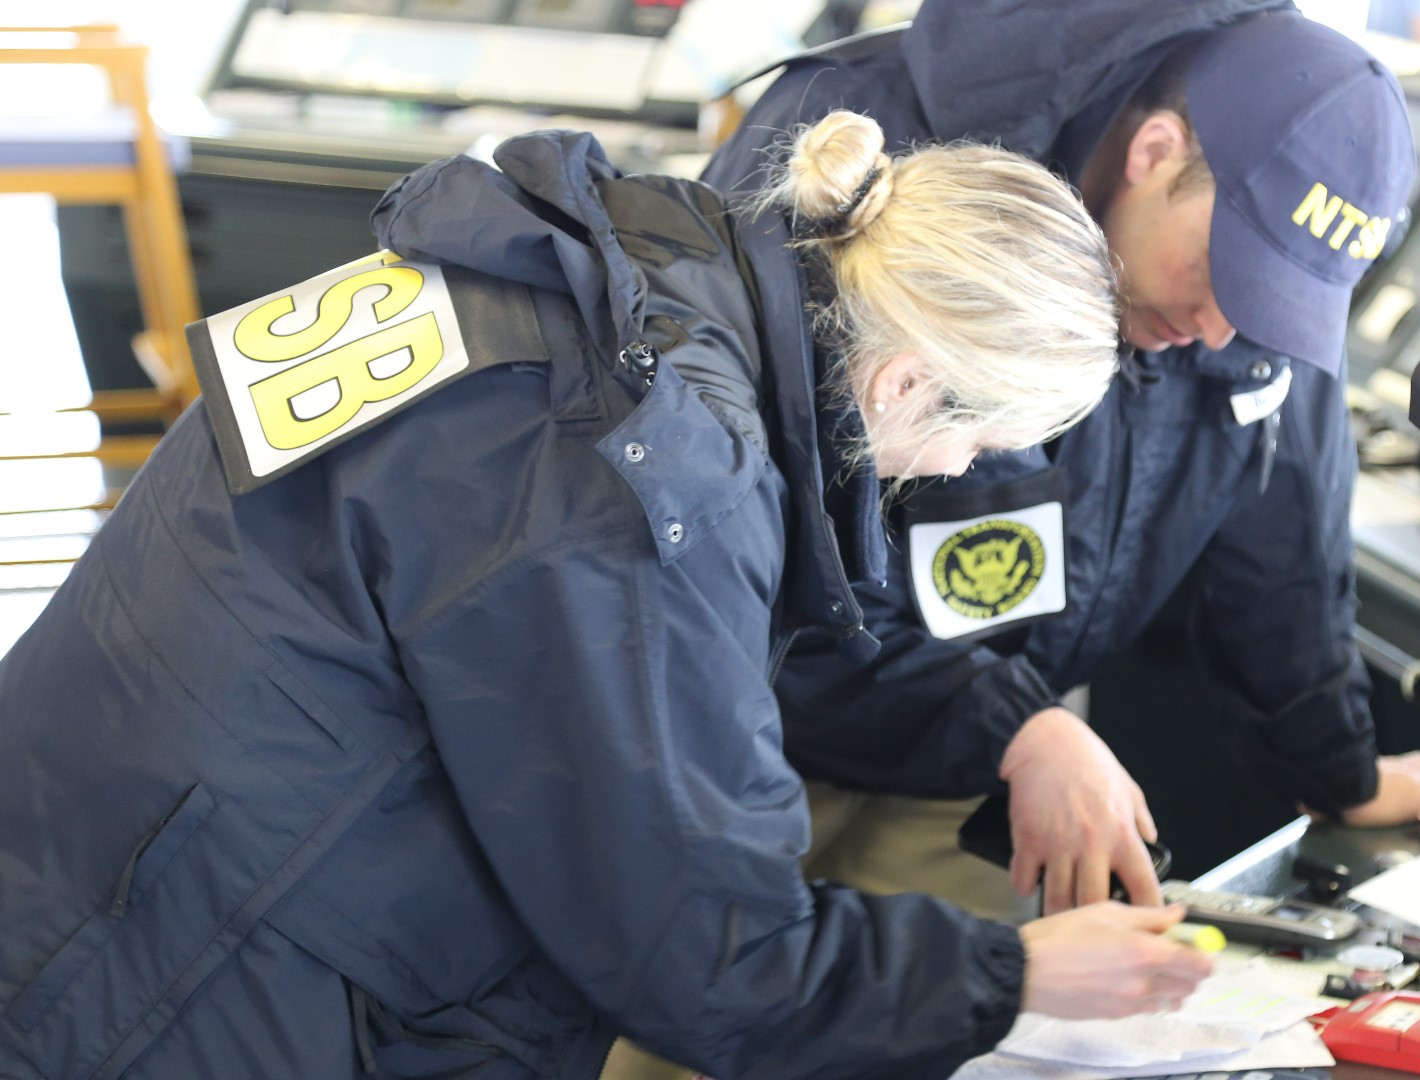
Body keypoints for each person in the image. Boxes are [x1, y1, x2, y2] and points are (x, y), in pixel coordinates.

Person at [0, 112, 1216, 1080]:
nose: (957, 476)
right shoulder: (648, 474)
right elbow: (711, 957)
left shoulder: (601, 279)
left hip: (84, 849)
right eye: (982, 444)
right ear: (902, 384)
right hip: (175, 983)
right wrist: (1014, 974)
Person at [702, 1, 1420, 922]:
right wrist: (1016, 726)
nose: (1224, 328)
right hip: (742, 748)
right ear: (1154, 154)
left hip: (978, 773)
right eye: (1227, 275)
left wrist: (1334, 770)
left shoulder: (1255, 287)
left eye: (1275, 303)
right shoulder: (869, 158)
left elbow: (1286, 546)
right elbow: (736, 554)